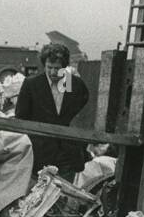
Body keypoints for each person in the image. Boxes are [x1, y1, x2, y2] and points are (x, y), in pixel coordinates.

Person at [14, 42, 90, 180]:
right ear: (44, 65)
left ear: (65, 66)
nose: (53, 72)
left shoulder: (75, 84)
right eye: (49, 67)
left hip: (68, 154)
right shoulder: (32, 85)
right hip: (40, 155)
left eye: (57, 68)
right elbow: (21, 118)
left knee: (65, 194)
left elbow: (84, 115)